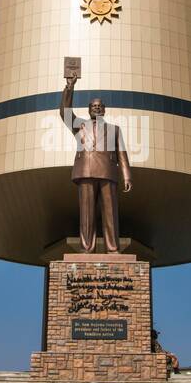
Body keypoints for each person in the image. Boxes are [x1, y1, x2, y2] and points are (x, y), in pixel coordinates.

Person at [60, 73, 132, 252]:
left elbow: (122, 153)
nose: (97, 108)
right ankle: (86, 248)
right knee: (87, 214)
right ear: (89, 109)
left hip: (108, 172)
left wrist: (127, 176)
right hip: (85, 171)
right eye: (94, 106)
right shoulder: (79, 125)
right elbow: (65, 112)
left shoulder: (115, 129)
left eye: (100, 106)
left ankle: (113, 249)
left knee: (110, 214)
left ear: (104, 110)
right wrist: (70, 87)